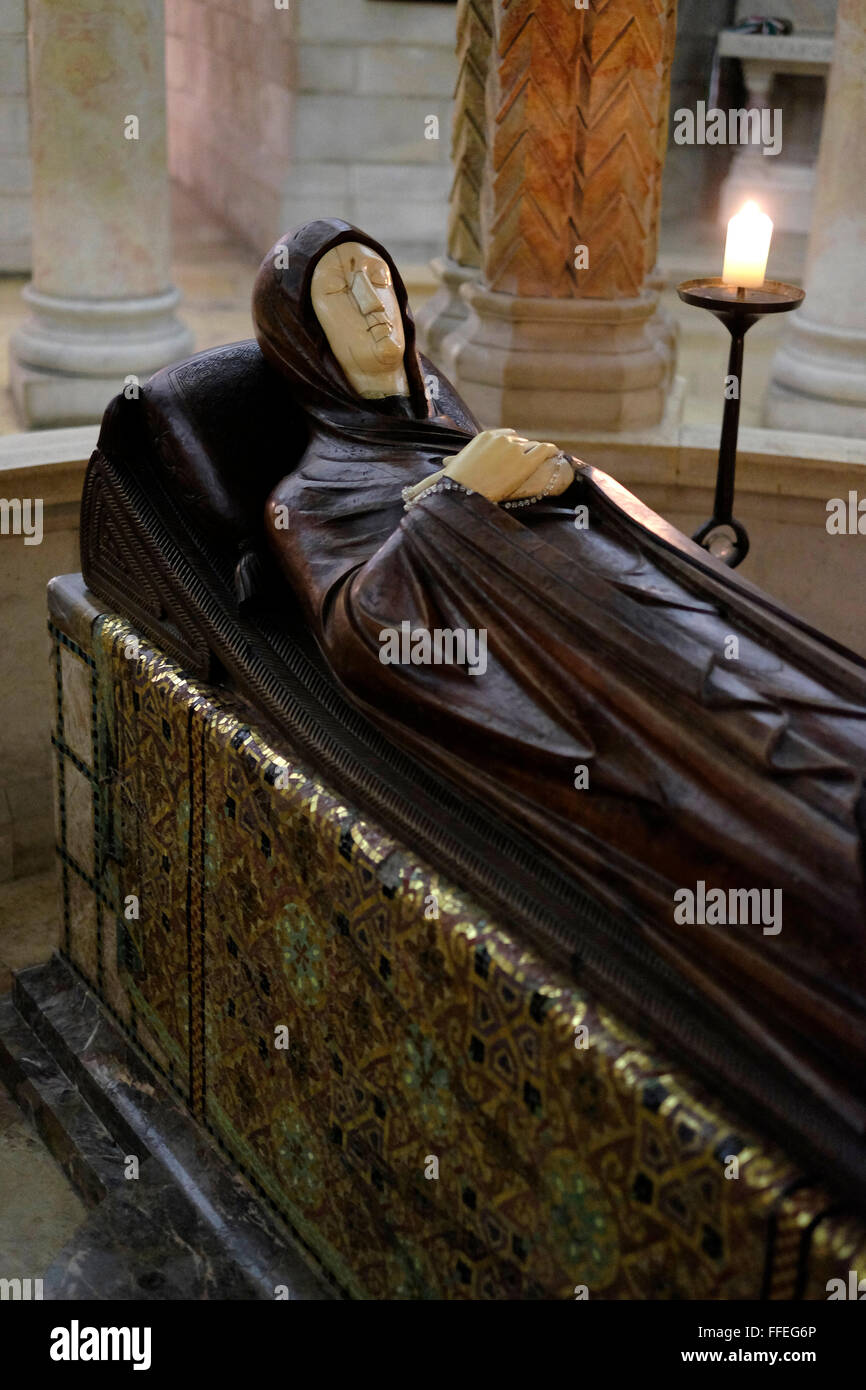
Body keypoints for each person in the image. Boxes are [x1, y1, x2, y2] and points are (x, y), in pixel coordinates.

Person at [254, 218, 866, 1113]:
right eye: (338, 294)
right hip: (569, 671)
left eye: (376, 279)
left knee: (781, 690)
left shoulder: (447, 419)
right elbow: (359, 634)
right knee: (738, 760)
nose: (371, 302)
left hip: (639, 599)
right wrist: (459, 504)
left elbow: (587, 503)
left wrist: (558, 479)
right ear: (303, 342)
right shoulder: (310, 490)